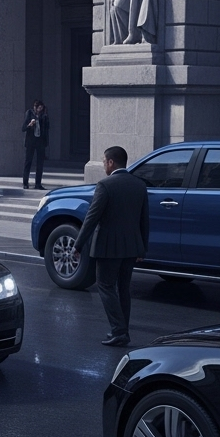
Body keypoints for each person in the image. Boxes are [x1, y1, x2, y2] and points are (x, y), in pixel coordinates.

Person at [76, 146, 150, 347]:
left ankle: (119, 331)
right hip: (132, 247)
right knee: (123, 289)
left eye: (103, 161)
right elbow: (145, 220)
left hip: (108, 247)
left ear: (111, 162)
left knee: (106, 286)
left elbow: (92, 217)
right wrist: (142, 248)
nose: (103, 165)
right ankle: (122, 330)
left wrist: (78, 244)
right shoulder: (139, 185)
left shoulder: (105, 185)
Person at [22, 100, 49, 190]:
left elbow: (47, 129)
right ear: (35, 107)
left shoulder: (44, 115)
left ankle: (38, 184)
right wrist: (30, 124)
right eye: (39, 108)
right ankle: (25, 183)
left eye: (41, 108)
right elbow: (23, 128)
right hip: (31, 141)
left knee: (40, 164)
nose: (39, 110)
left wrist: (46, 143)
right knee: (28, 162)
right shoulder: (29, 113)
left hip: (40, 141)